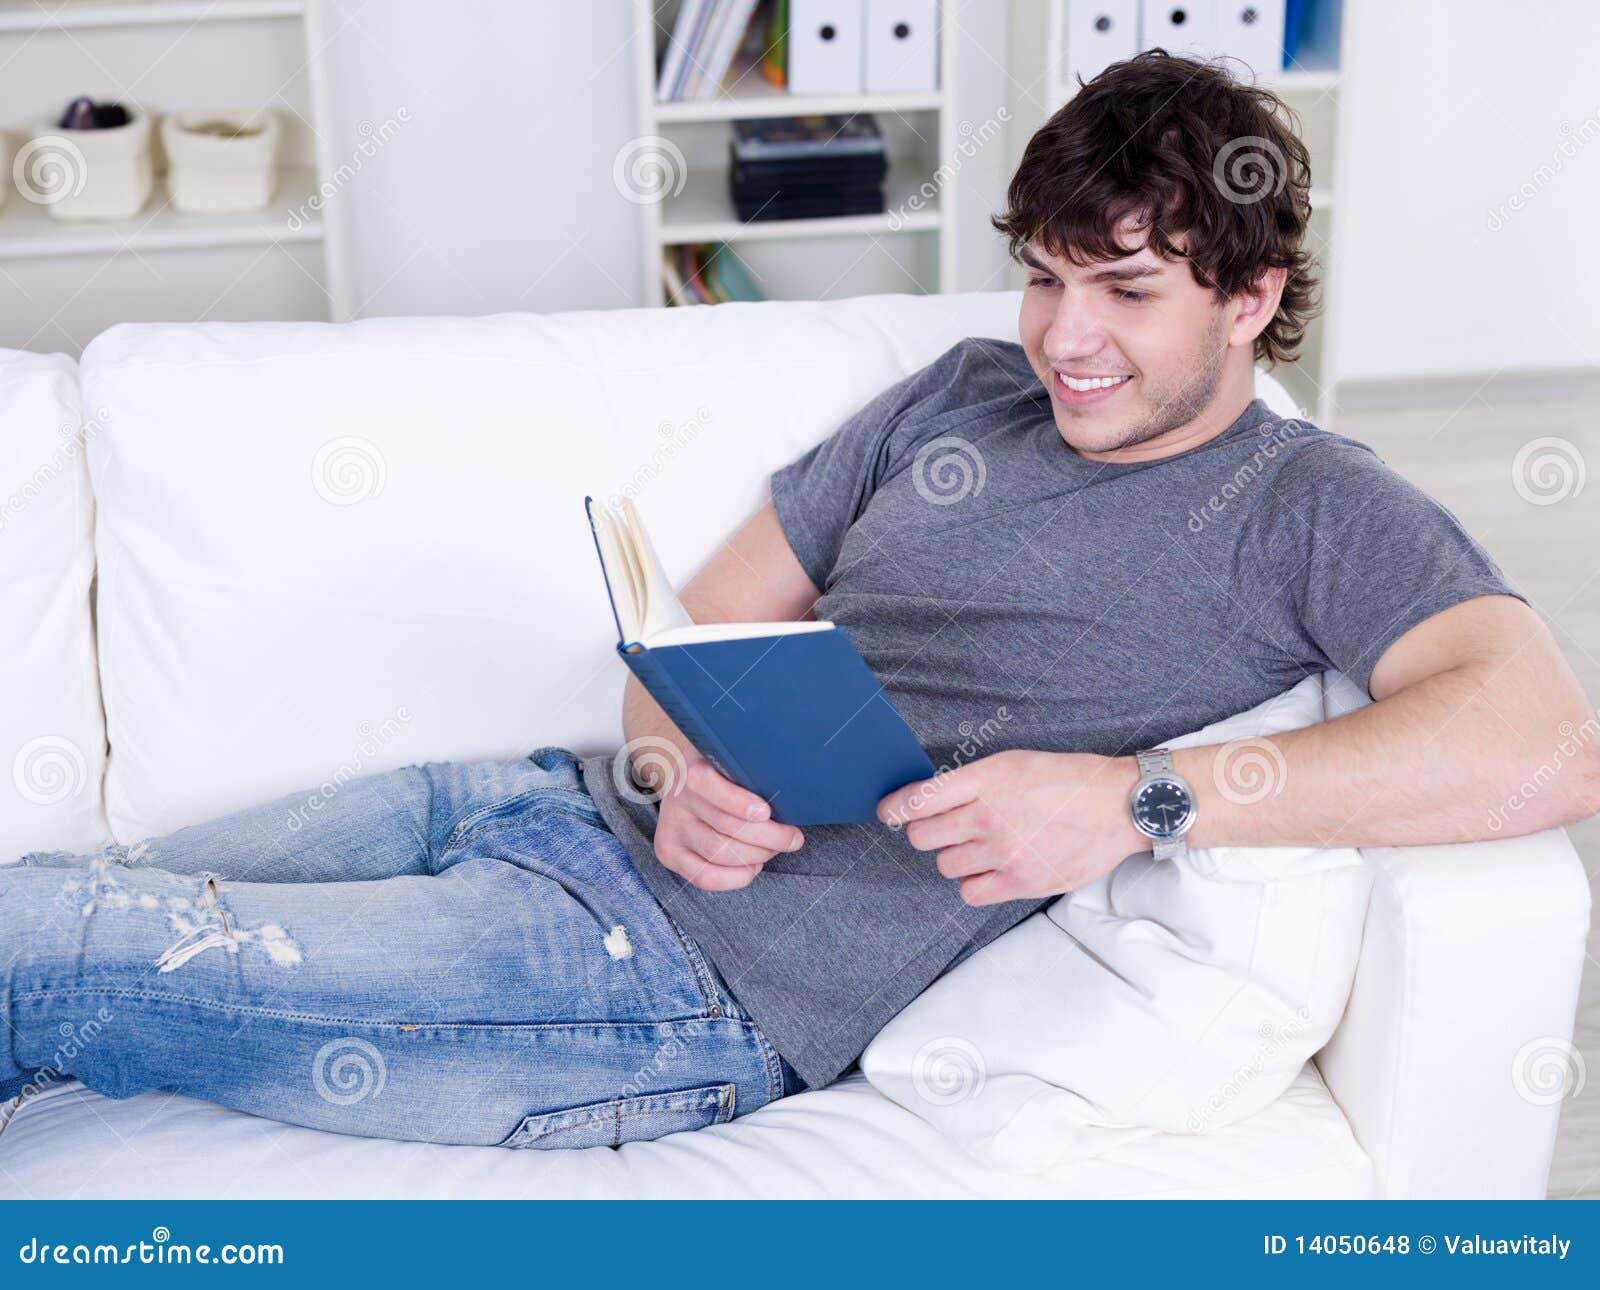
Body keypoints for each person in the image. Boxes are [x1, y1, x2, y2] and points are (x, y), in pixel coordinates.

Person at [5, 51, 1596, 1150]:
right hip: (540, 806)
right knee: (57, 899)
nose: (1064, 336)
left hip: (663, 989)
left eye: (1126, 289)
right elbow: (686, 643)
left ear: (1251, 303)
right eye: (1047, 274)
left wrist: (1136, 799)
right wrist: (669, 767)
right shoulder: (962, 391)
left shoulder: (1308, 505)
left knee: (43, 946)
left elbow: (1545, 741)